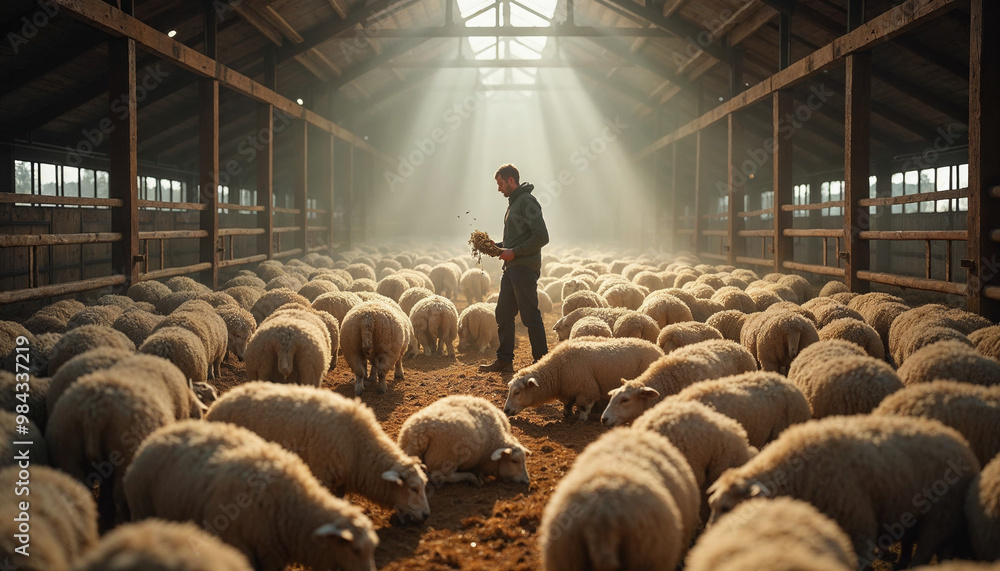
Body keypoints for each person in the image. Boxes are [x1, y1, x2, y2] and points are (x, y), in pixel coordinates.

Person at [479, 164, 549, 373]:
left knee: (529, 316)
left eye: (501, 183)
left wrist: (515, 252)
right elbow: (515, 240)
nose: (499, 189)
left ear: (511, 180)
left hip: (524, 267)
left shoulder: (526, 201)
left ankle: (543, 364)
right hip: (512, 267)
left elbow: (542, 236)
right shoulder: (514, 202)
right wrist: (496, 246)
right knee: (503, 312)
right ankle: (505, 360)